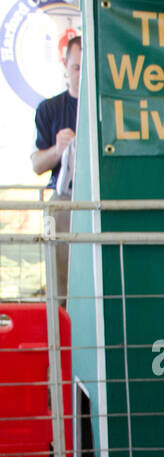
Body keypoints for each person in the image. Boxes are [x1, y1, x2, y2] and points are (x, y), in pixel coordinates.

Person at [31, 32, 80, 304]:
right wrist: (57, 150)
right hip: (63, 199)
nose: (80, 75)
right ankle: (58, 333)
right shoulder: (49, 109)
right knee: (59, 283)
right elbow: (36, 164)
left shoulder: (106, 108)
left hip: (99, 199)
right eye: (76, 68)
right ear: (65, 67)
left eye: (86, 68)